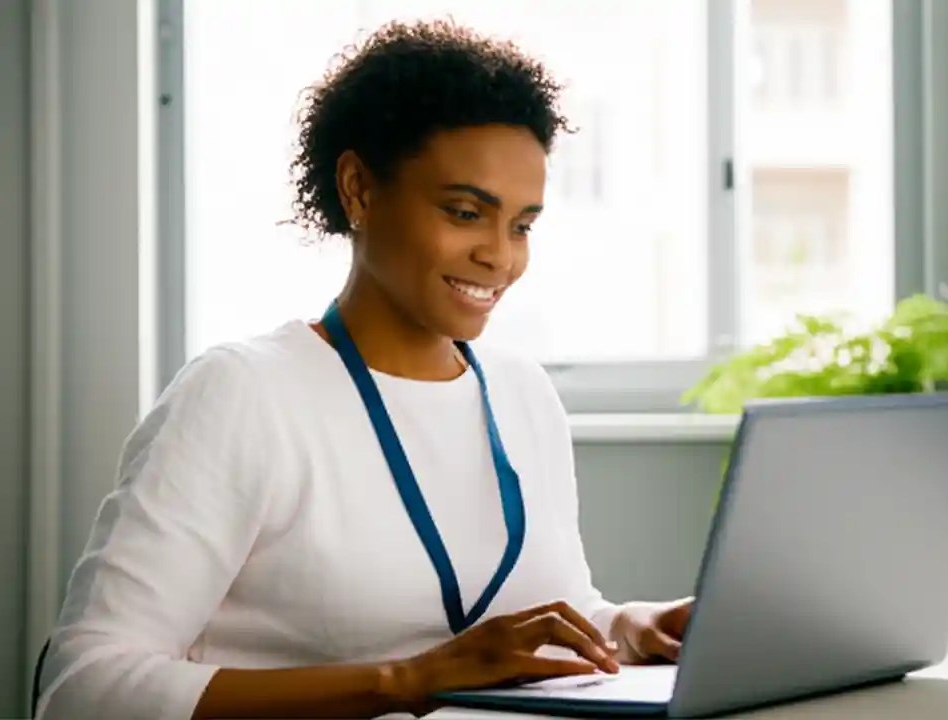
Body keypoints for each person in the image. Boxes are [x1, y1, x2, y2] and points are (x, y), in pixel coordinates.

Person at [37, 19, 693, 720]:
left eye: (522, 225)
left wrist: (622, 626)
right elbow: (83, 689)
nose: (500, 257)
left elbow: (538, 618)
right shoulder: (243, 394)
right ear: (358, 189)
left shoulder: (522, 393)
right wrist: (405, 682)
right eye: (466, 212)